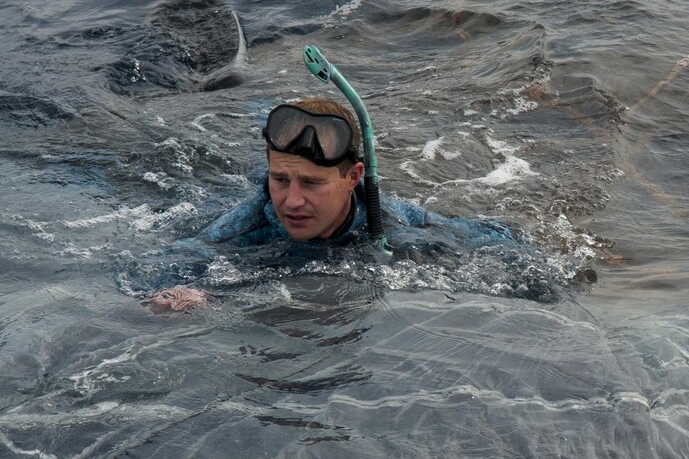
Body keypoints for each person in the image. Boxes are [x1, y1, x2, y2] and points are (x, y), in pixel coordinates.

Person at [145, 97, 524, 312]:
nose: (291, 201)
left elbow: (507, 243)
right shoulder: (239, 230)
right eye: (280, 180)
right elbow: (154, 274)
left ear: (353, 177)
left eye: (311, 183)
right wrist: (174, 297)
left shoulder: (394, 220)